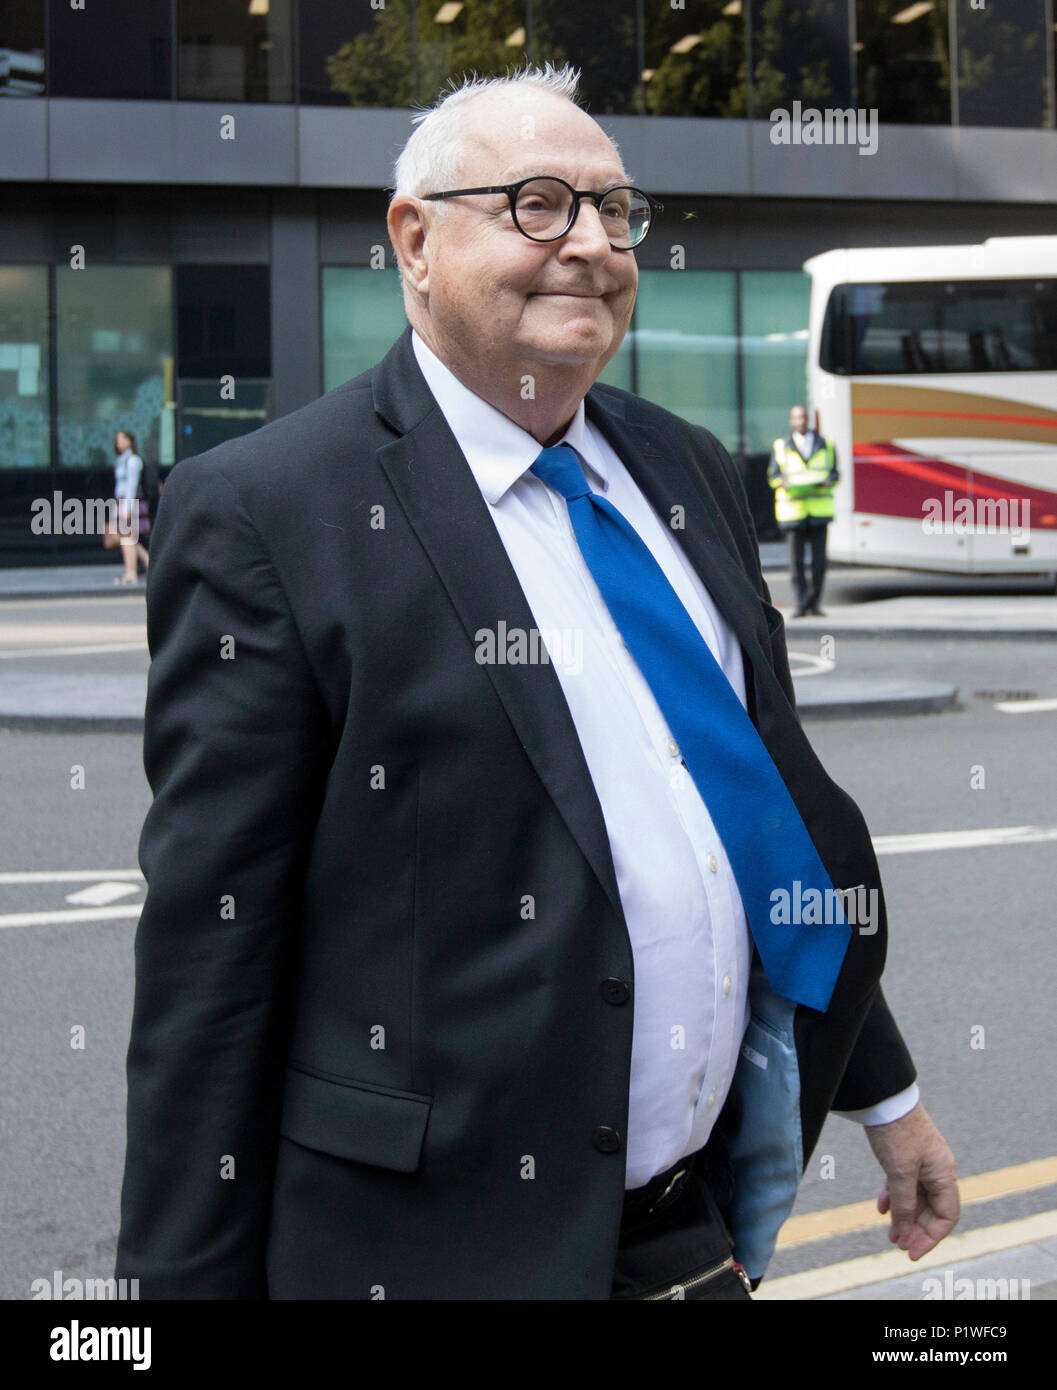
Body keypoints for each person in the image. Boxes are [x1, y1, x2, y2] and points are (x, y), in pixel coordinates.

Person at [115, 63, 958, 1301]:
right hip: (434, 1255)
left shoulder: (683, 466)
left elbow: (758, 817)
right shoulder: (266, 512)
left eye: (616, 212)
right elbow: (211, 962)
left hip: (691, 1230)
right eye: (539, 203)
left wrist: (885, 1093)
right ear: (414, 237)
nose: (593, 245)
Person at [768, 405, 838, 617]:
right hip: (794, 512)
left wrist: (827, 482)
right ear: (791, 421)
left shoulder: (826, 444)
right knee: (796, 565)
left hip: (818, 512)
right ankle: (800, 604)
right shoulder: (780, 446)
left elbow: (834, 474)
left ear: (809, 420)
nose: (801, 421)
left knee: (819, 564)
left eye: (804, 417)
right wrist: (784, 482)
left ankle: (814, 603)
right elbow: (773, 477)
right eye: (797, 418)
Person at [104, 429, 150, 584]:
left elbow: (132, 485)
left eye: (122, 439)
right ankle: (147, 561)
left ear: (129, 441)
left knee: (126, 537)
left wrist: (127, 507)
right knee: (123, 537)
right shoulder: (121, 460)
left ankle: (131, 573)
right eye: (117, 440)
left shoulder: (133, 460)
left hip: (129, 501)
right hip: (121, 501)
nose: (119, 443)